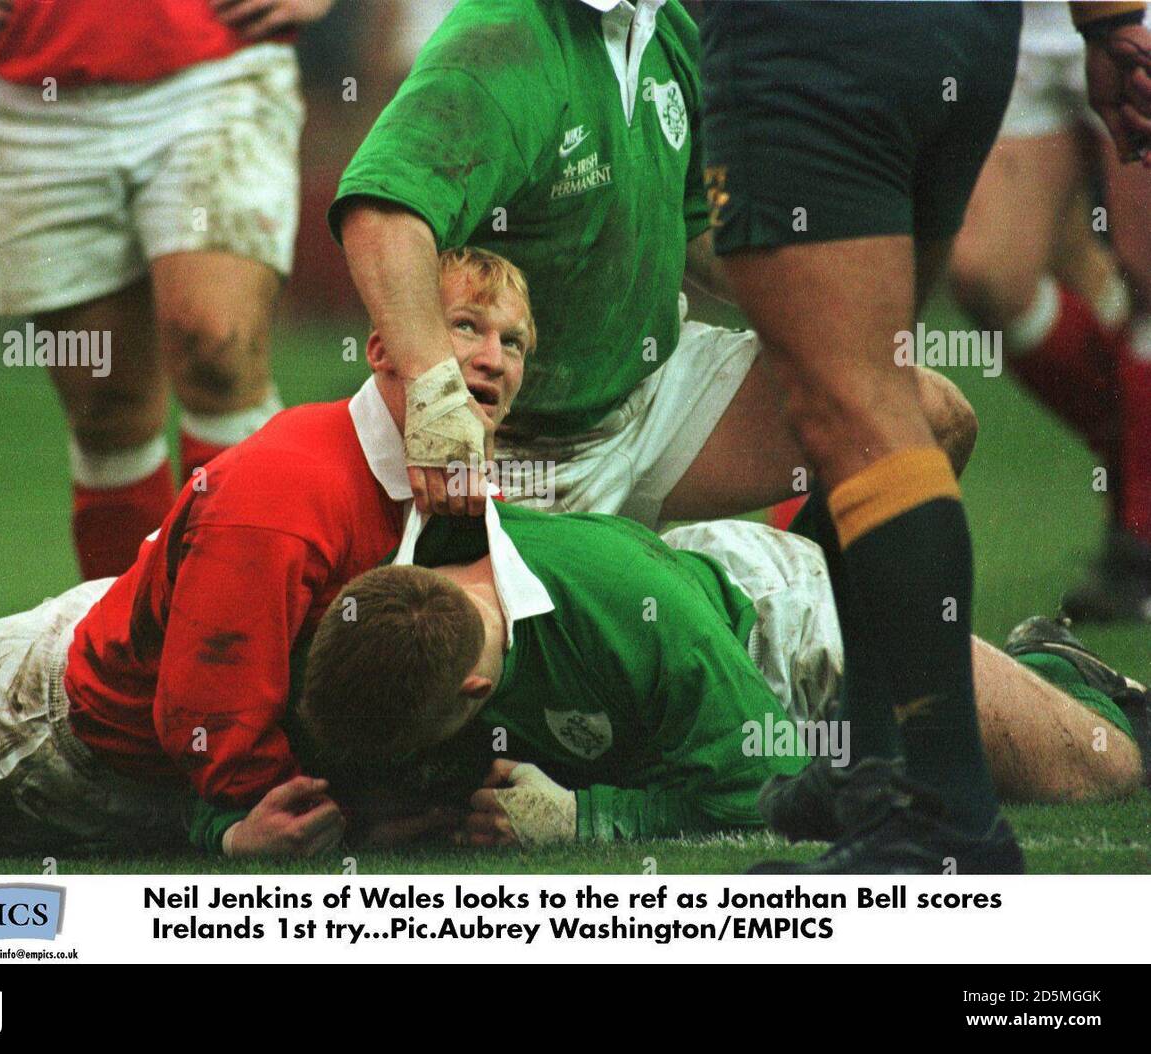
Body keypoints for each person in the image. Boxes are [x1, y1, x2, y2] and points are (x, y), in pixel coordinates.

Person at [0, 247, 533, 857]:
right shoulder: (292, 494)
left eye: (515, 343)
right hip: (56, 731)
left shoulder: (461, 494)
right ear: (386, 349)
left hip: (134, 626)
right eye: (466, 326)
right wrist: (335, 819)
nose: (492, 358)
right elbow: (207, 722)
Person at [694, 0, 1151, 873]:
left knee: (855, 408)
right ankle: (869, 768)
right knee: (866, 391)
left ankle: (945, 814)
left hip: (810, 39)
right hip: (968, 34)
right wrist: (1108, 20)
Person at [331, 0, 973, 529]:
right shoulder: (506, 35)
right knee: (536, 664)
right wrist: (436, 403)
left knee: (922, 420)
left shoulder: (667, 31)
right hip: (510, 446)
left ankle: (811, 637)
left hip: (651, 395)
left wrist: (827, 295)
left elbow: (698, 222)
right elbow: (384, 213)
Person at [294, 509, 1145, 853]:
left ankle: (1053, 668)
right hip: (671, 662)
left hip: (781, 631)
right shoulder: (387, 617)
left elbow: (768, 785)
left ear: (476, 701)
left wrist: (587, 814)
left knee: (1102, 769)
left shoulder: (634, 622)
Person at [0, 0, 333, 579]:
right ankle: (133, 656)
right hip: (37, 95)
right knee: (103, 406)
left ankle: (253, 632)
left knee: (215, 347)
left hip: (216, 67)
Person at [950, 0, 1151, 622]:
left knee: (1147, 271)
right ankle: (1135, 457)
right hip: (1024, 25)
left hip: (1131, 14)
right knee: (986, 272)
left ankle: (1139, 541)